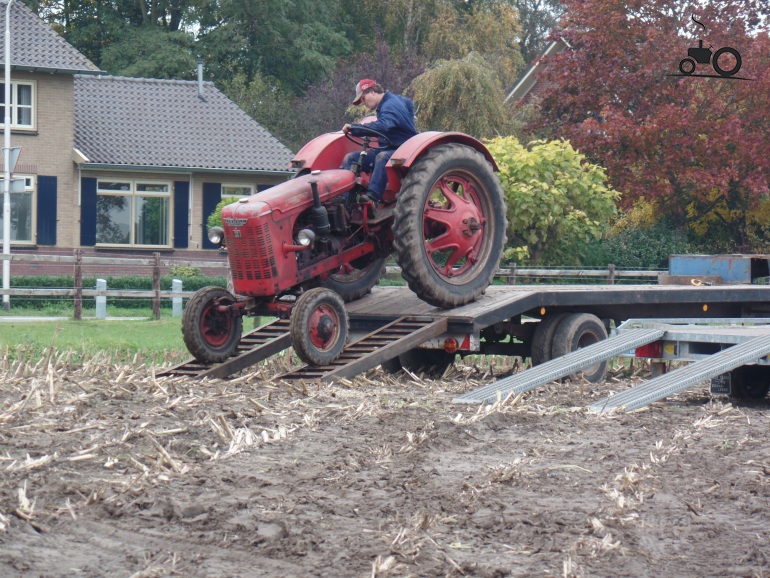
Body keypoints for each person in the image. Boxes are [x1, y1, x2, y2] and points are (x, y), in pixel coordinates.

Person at [341, 79, 418, 209]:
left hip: (402, 150)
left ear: (371, 91)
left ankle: (372, 199)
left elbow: (383, 126)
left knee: (381, 157)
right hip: (388, 147)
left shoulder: (390, 104)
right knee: (351, 158)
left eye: (363, 99)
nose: (363, 103)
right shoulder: (387, 104)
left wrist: (355, 129)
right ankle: (344, 203)